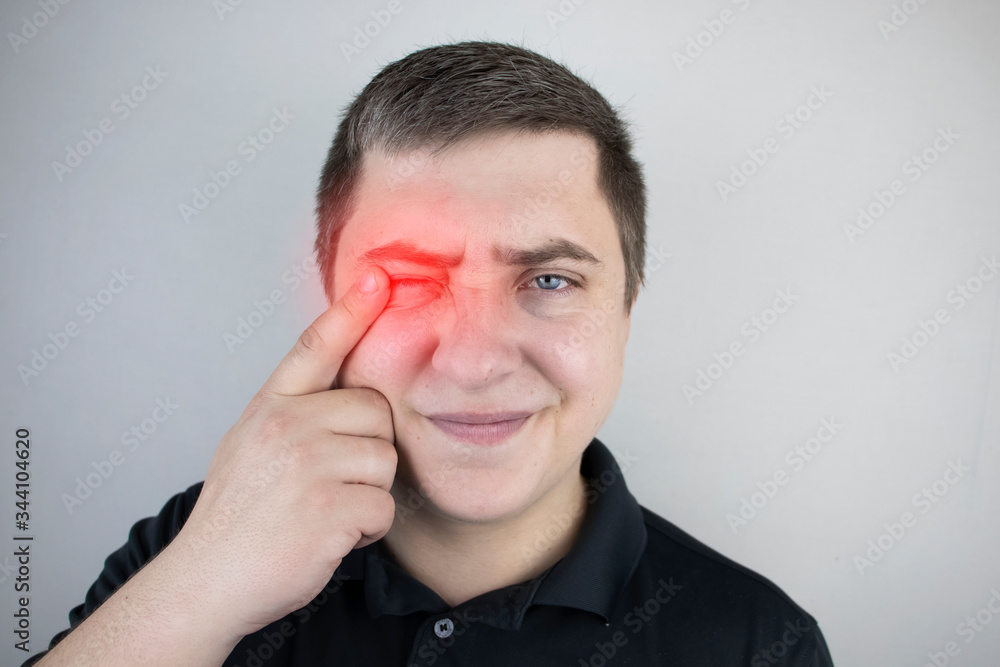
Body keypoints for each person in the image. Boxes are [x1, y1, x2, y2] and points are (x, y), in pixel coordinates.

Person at [26, 41, 834, 666]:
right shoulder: (200, 538)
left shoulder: (757, 640)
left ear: (626, 307)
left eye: (549, 279)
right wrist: (202, 583)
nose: (475, 362)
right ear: (327, 300)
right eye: (409, 280)